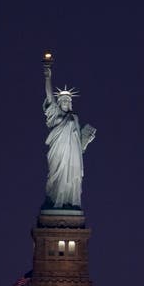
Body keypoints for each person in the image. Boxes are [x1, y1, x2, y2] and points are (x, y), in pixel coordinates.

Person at [43, 62, 95, 208]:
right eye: (63, 100)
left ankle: (70, 202)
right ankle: (55, 202)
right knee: (56, 177)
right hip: (58, 152)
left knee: (72, 177)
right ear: (59, 102)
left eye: (68, 100)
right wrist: (48, 77)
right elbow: (49, 96)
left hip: (73, 155)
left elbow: (78, 143)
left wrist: (86, 140)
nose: (65, 101)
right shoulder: (55, 114)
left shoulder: (75, 118)